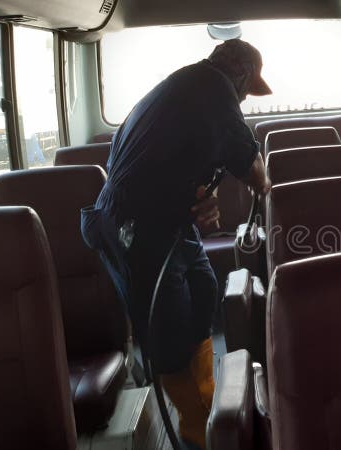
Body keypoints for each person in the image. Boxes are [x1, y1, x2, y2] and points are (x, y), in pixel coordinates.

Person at [81, 39, 272, 450]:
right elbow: (256, 174)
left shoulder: (183, 86)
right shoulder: (215, 89)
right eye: (247, 89)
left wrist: (200, 194)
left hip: (165, 219)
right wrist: (267, 182)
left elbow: (172, 156)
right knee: (165, 331)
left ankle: (204, 393)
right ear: (240, 75)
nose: (244, 98)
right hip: (133, 226)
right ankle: (195, 429)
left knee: (203, 287)